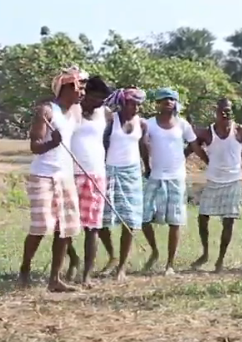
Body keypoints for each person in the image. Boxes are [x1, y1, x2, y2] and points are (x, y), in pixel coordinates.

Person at [18, 67, 85, 291]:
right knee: (41, 226)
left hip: (65, 175)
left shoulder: (75, 112)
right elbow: (34, 146)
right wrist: (52, 143)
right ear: (68, 87)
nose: (82, 92)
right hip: (43, 175)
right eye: (80, 87)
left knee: (65, 227)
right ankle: (24, 271)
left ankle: (54, 279)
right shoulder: (46, 111)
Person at [141, 88, 198, 275]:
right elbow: (142, 144)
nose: (168, 103)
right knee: (143, 217)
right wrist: (147, 167)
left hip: (176, 177)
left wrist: (185, 155)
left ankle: (170, 264)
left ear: (176, 102)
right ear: (157, 103)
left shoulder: (182, 124)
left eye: (171, 100)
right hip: (155, 175)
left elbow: (193, 144)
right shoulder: (149, 124)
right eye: (164, 100)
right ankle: (155, 250)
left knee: (175, 221)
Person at [65, 75, 113, 285]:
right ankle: (73, 259)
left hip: (96, 174)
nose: (99, 102)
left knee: (92, 227)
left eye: (103, 99)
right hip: (70, 172)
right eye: (96, 98)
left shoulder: (105, 113)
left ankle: (86, 275)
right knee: (64, 225)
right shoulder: (72, 111)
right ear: (85, 93)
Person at [191, 98, 242, 273]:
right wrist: (205, 159)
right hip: (213, 180)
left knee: (228, 222)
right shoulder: (208, 132)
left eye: (228, 111)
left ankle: (220, 260)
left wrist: (239, 160)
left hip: (233, 181)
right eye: (222, 111)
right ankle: (205, 252)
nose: (225, 114)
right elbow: (193, 142)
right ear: (216, 112)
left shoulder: (239, 131)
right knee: (203, 217)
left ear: (232, 112)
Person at [99, 87, 149, 281]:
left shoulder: (141, 124)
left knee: (130, 221)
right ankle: (112, 254)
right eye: (131, 103)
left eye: (138, 104)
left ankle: (122, 267)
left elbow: (143, 145)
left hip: (132, 173)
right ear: (122, 103)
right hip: (109, 171)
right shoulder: (111, 121)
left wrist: (148, 166)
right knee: (102, 220)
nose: (135, 107)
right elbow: (103, 144)